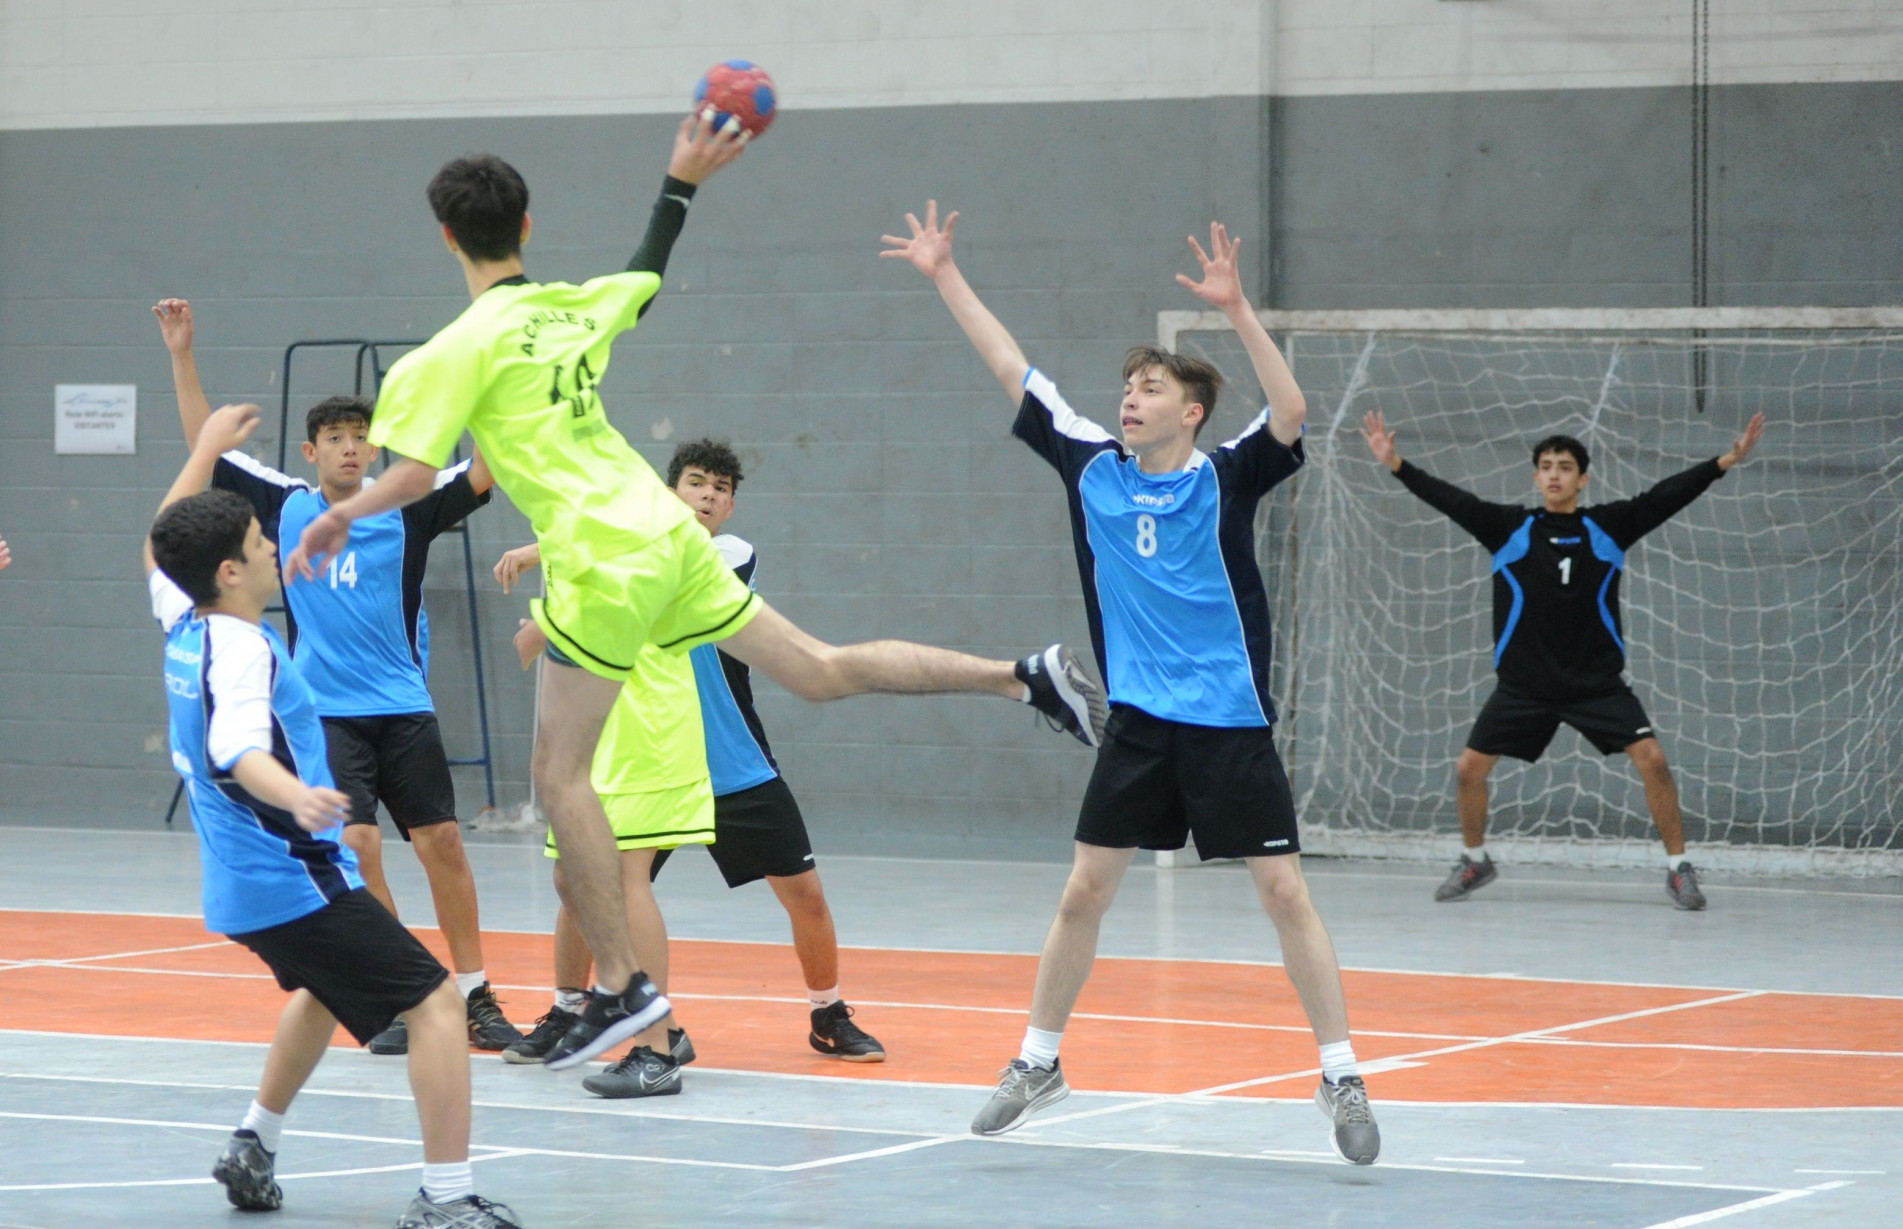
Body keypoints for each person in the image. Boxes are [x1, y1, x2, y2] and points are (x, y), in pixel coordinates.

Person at [282, 115, 1106, 1072]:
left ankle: (624, 988)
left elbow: (415, 473)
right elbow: (650, 264)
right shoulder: (574, 305)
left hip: (600, 561)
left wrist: (344, 515)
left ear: (445, 237)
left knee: (560, 781)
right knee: (822, 668)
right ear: (528, 226)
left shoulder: (448, 354)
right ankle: (1022, 677)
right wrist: (681, 176)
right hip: (668, 538)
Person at [885, 205, 1380, 1163]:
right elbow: (1009, 367)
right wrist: (943, 272)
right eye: (1126, 387)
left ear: (1189, 412)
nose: (1129, 400)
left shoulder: (1226, 474)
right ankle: (1037, 1059)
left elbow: (1289, 413)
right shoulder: (1089, 467)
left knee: (1282, 893)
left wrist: (1237, 309)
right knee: (1082, 893)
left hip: (1229, 721)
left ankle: (1341, 1071)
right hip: (1141, 724)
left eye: (1149, 389)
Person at [146, 403, 519, 1228]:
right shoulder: (242, 649)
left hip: (249, 880)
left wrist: (207, 447)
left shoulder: (181, 617)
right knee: (434, 1004)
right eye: (257, 547)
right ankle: (446, 1199)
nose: (274, 549)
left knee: (323, 989)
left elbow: (156, 542)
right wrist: (299, 795)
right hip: (291, 874)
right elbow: (235, 750)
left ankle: (254, 1141)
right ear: (231, 572)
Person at [153, 298, 522, 1055]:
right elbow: (206, 445)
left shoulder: (408, 505)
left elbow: (488, 467)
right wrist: (182, 354)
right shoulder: (285, 506)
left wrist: (484, 381)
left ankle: (476, 991)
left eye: (361, 437)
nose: (350, 449)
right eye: (336, 439)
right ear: (311, 450)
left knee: (443, 842)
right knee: (357, 840)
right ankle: (397, 995)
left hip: (404, 704)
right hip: (327, 713)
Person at [495, 439, 887, 1092]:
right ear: (669, 489)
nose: (708, 495)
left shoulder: (728, 555)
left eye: (721, 489)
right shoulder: (630, 545)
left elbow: (651, 558)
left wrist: (550, 571)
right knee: (587, 882)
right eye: (696, 482)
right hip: (641, 755)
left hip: (730, 762)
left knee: (804, 894)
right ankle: (571, 1010)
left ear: (730, 507)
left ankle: (828, 1011)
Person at [1359, 409, 1766, 910]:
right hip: (1524, 686)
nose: (1555, 473)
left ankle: (1679, 869)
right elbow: (1450, 499)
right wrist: (1395, 462)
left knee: (1654, 761)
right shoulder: (1508, 527)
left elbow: (1666, 496)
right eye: (1547, 465)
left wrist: (1725, 460)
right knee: (1468, 770)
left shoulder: (1608, 527)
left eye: (1565, 466)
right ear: (1536, 476)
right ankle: (1475, 860)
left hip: (1595, 683)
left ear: (1582, 478)